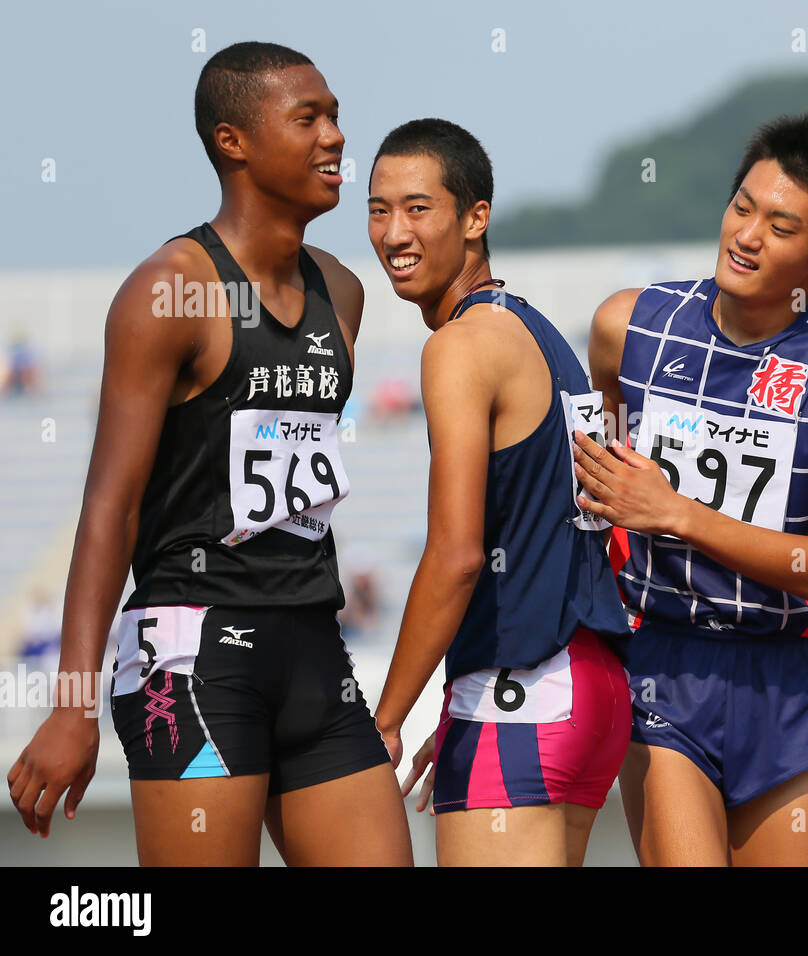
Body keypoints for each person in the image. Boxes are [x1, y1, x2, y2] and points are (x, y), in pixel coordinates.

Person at [6, 42, 412, 866]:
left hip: (313, 646)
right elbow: (107, 509)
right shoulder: (169, 291)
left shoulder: (344, 290)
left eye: (335, 115)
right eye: (309, 119)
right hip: (190, 658)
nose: (335, 137)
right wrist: (73, 703)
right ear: (234, 142)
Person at [573, 111, 808, 865]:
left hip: (785, 679)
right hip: (664, 663)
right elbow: (597, 481)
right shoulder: (628, 327)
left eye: (781, 226)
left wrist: (678, 514)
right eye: (742, 207)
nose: (748, 235)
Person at [366, 119, 632, 867]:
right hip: (588, 684)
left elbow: (456, 555)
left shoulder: (458, 346)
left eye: (419, 208)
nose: (393, 232)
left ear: (476, 217)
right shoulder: (538, 332)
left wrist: (383, 720)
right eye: (378, 210)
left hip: (527, 685)